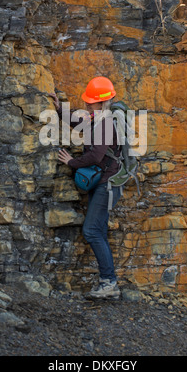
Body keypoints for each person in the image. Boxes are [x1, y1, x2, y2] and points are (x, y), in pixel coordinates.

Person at [49, 76, 122, 299]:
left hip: (106, 186)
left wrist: (71, 162)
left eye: (91, 101)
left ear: (102, 102)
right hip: (102, 183)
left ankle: (108, 283)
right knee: (97, 231)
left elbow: (95, 155)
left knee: (91, 231)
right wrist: (59, 108)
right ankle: (108, 283)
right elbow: (77, 122)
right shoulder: (97, 118)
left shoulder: (106, 123)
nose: (87, 103)